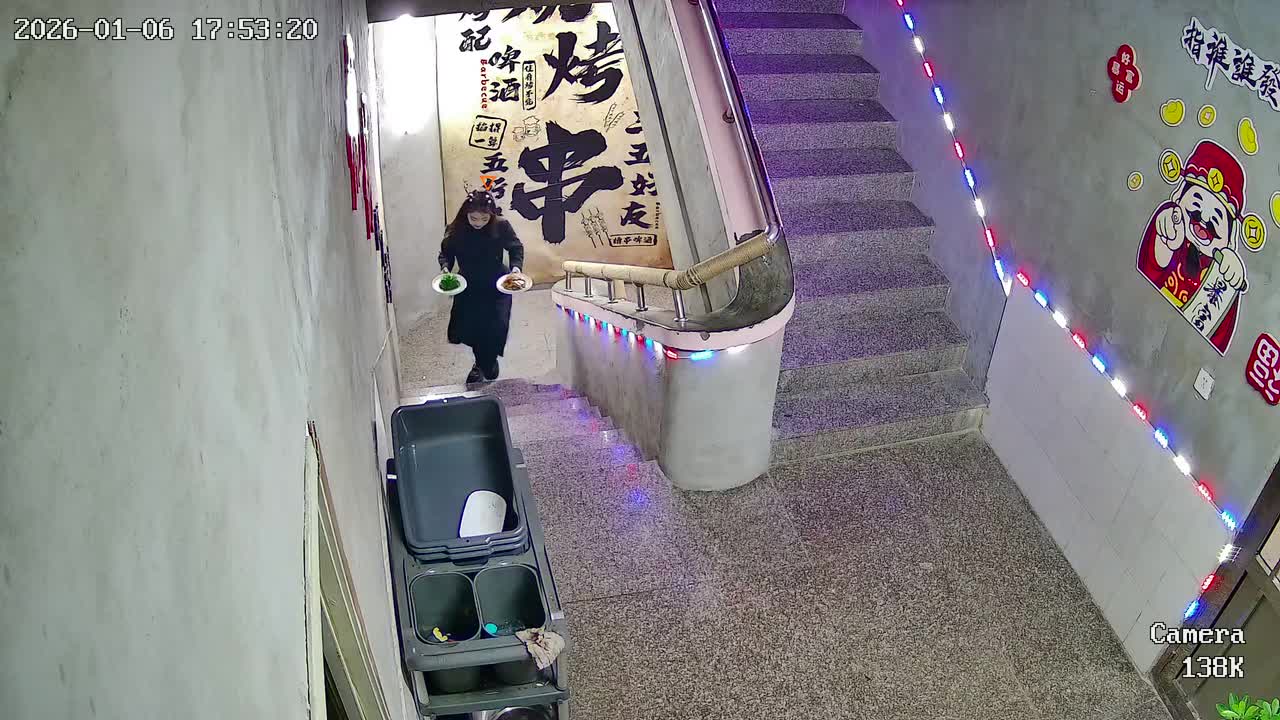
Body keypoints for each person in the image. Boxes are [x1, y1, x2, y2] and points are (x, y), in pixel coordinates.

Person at [438, 190, 526, 383]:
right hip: (468, 285)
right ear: (465, 213)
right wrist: (446, 268)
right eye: (473, 218)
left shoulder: (501, 226)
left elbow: (515, 247)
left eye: (484, 219)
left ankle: (487, 360)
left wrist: (516, 268)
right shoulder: (455, 229)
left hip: (497, 283)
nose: (478, 223)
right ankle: (481, 363)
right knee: (473, 328)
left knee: (496, 326)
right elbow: (445, 253)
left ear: (491, 215)